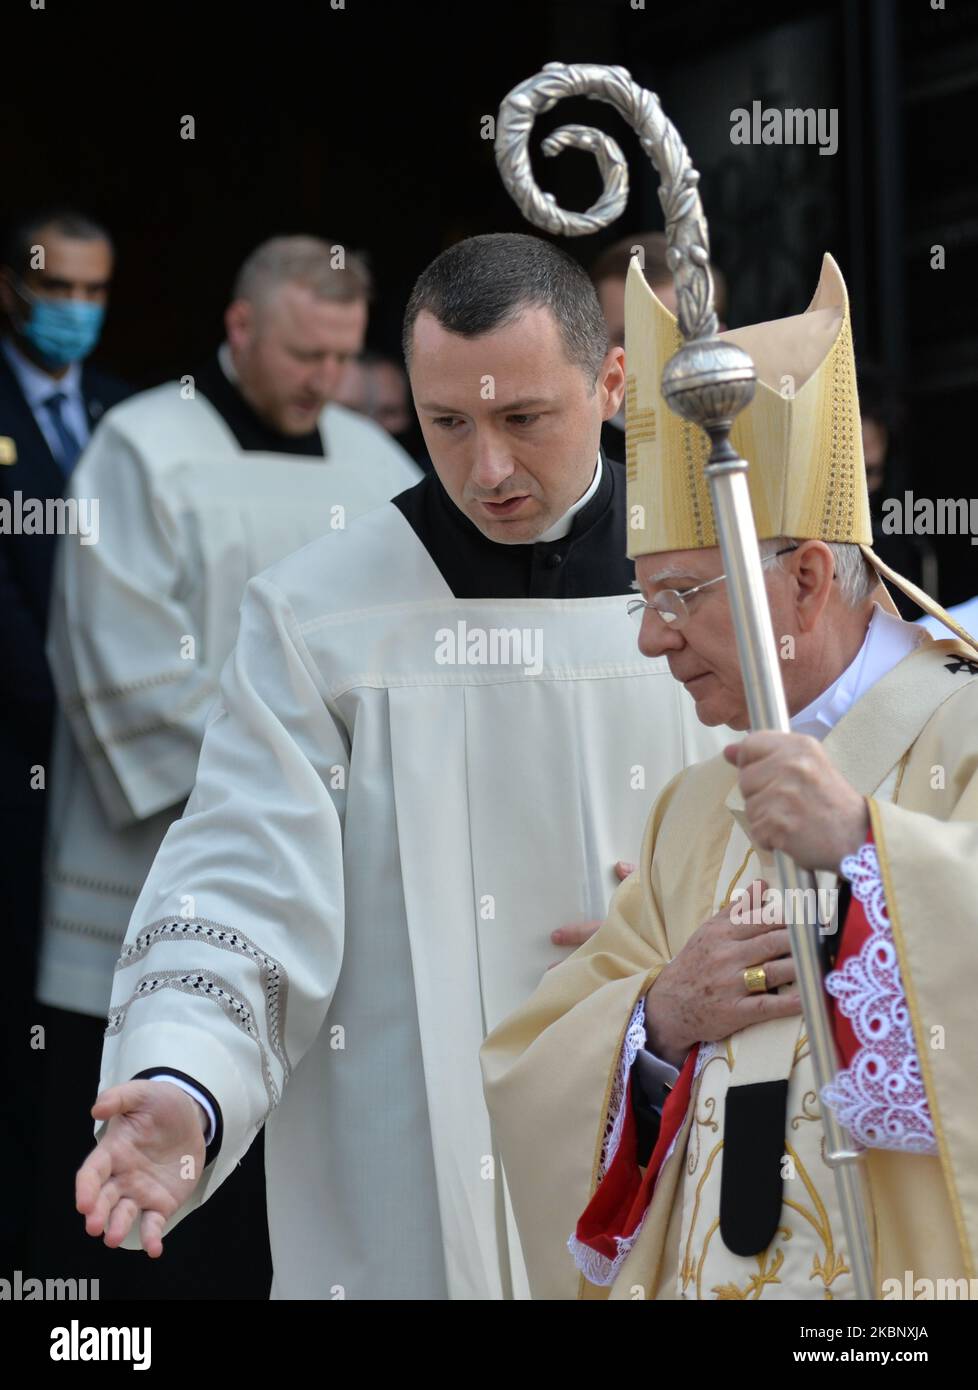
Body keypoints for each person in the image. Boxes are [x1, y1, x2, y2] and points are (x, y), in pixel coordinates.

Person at [74, 232, 728, 1300]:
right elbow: (244, 878)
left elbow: (829, 829)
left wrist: (705, 918)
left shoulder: (723, 580)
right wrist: (183, 1076)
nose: (488, 469)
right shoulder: (323, 614)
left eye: (524, 419)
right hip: (407, 1150)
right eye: (447, 424)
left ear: (612, 381)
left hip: (680, 1111)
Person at [481, 252, 978, 1301]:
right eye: (642, 600)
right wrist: (660, 1014)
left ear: (803, 579)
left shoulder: (964, 727)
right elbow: (534, 1067)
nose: (656, 641)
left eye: (682, 596)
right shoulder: (696, 807)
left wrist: (867, 848)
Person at [31, 234, 420, 1298]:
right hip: (141, 894)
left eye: (341, 357)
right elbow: (122, 665)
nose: (325, 380)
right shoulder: (141, 446)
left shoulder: (382, 470)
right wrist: (303, 775)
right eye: (303, 353)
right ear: (240, 329)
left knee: (288, 1205)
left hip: (328, 905)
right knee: (137, 1206)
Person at [0, 208, 129, 1268]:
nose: (76, 313)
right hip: (19, 752)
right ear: (12, 289)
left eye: (95, 294)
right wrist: (88, 701)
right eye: (58, 291)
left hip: (104, 774)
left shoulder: (123, 414)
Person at [590, 231, 727, 464]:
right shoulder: (579, 461)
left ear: (720, 339)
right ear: (592, 344)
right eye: (627, 338)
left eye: (676, 334)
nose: (653, 356)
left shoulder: (758, 444)